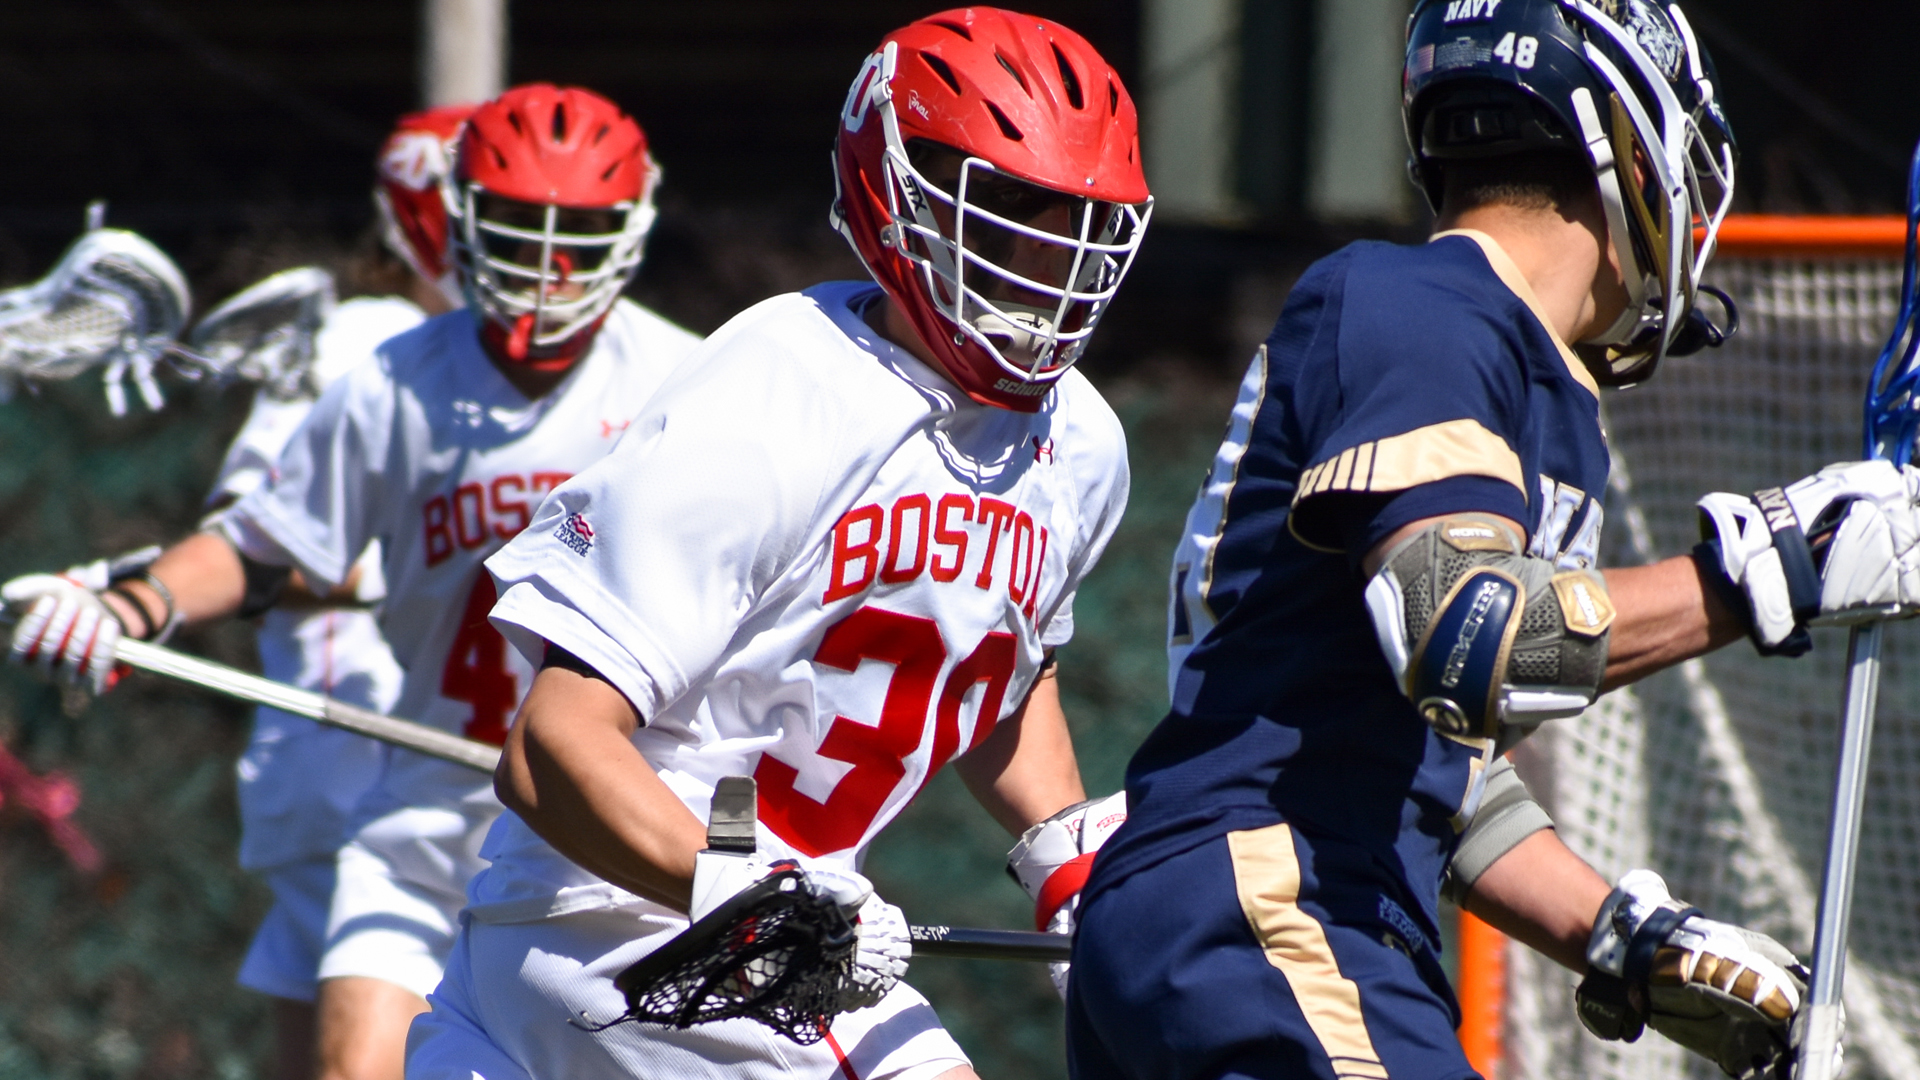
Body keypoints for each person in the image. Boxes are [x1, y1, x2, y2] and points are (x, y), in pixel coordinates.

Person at [1065, 2, 1917, 1078]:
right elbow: (1469, 640)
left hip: (1276, 919)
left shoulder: (1507, 370)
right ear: (1637, 151)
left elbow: (1439, 772)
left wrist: (1622, 937)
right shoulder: (1425, 307)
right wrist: (1771, 570)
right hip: (1275, 906)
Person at [403, 9, 1150, 1080]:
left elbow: (999, 665)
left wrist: (1062, 851)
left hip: (743, 940)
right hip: (622, 922)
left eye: (1079, 226)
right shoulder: (776, 389)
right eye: (1010, 218)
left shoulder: (1079, 443)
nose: (1048, 264)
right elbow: (550, 747)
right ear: (896, 198)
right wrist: (742, 892)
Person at [4, 83, 701, 1080]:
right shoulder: (391, 376)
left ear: (629, 231)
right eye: (515, 227)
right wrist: (127, 604)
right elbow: (262, 546)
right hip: (425, 818)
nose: (546, 269)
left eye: (578, 234)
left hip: (603, 839)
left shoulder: (685, 386)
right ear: (457, 219)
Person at [219, 103, 470, 1080]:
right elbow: (244, 535)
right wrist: (410, 564)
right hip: (352, 751)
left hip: (406, 762)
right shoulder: (360, 338)